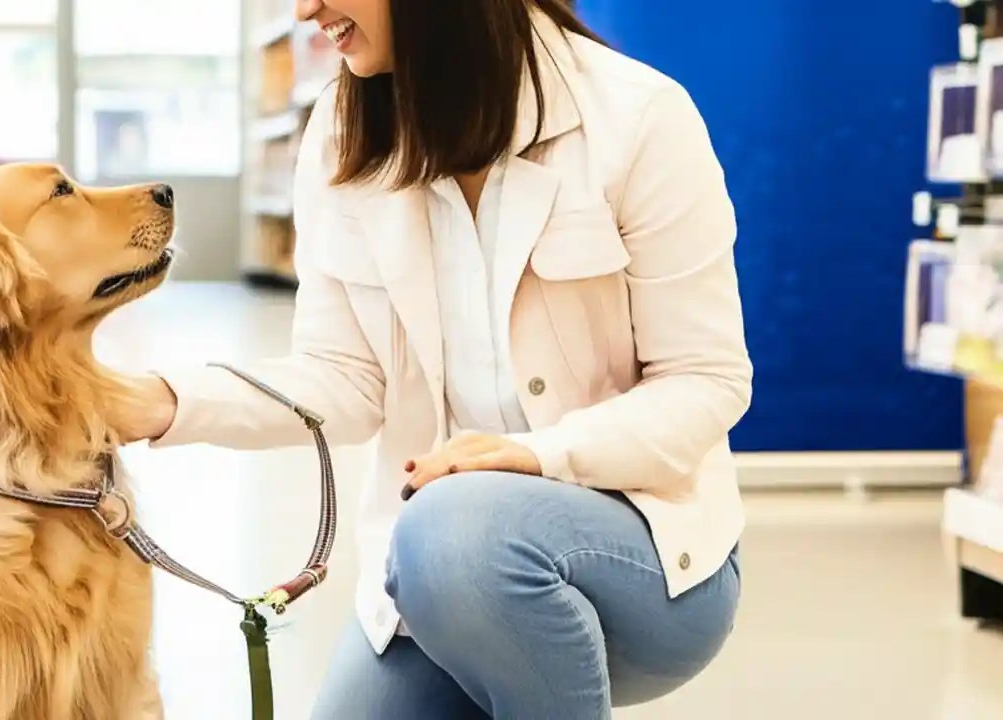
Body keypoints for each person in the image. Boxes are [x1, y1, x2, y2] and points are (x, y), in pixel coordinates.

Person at [131, 0, 751, 717]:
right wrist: (164, 402)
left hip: (641, 554)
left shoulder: (637, 116)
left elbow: (706, 380)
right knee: (447, 541)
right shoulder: (340, 133)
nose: (305, 10)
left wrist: (538, 456)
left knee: (457, 530)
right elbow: (345, 379)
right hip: (433, 571)